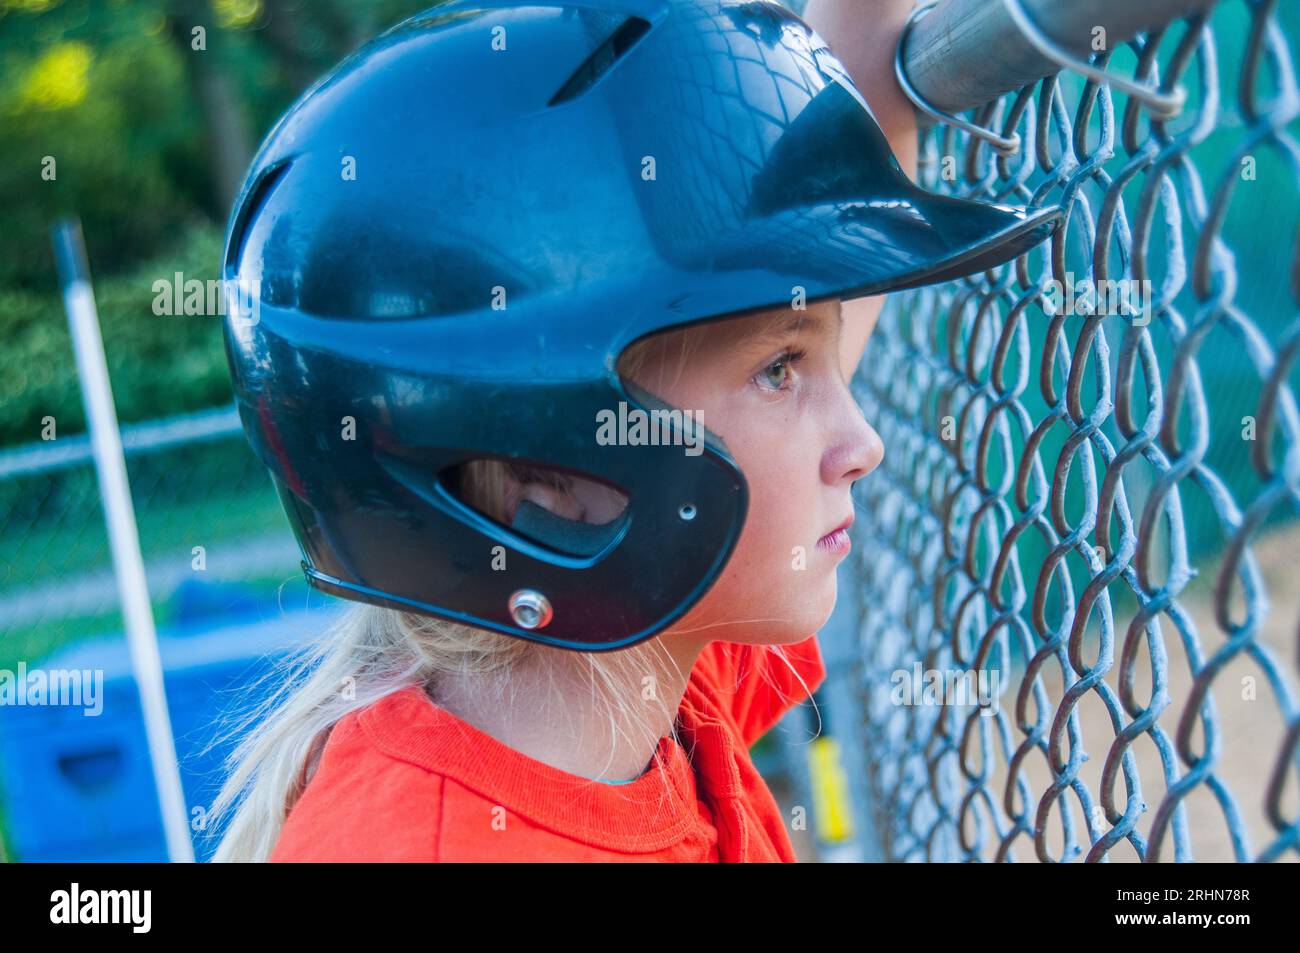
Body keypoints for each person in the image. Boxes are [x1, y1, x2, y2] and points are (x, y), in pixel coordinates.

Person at [205, 0, 1059, 862]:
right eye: (780, 370)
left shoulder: (655, 661)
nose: (863, 444)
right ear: (548, 462)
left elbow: (846, 117)